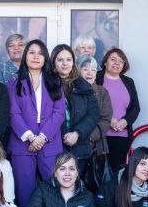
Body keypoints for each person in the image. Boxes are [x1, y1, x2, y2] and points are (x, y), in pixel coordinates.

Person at [9, 39, 67, 207]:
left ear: (46, 58)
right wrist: (30, 137)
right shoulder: (14, 82)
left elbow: (59, 112)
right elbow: (13, 113)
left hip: (49, 145)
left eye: (40, 53)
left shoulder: (54, 81)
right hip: (22, 146)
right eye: (31, 52)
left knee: (54, 192)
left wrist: (42, 137)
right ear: (25, 56)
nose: (36, 57)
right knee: (24, 193)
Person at [52, 44, 101, 184]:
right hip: (54, 146)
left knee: (77, 188)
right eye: (60, 60)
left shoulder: (83, 85)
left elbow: (94, 113)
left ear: (73, 63)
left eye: (68, 59)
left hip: (79, 147)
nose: (65, 63)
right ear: (53, 63)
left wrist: (77, 133)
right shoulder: (46, 85)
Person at [97, 47, 140, 175]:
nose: (116, 63)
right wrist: (109, 120)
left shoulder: (128, 82)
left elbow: (135, 107)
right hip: (100, 135)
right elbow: (92, 104)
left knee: (116, 174)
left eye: (121, 61)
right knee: (98, 174)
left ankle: (114, 196)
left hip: (122, 136)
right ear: (105, 62)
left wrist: (124, 122)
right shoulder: (96, 78)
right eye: (113, 59)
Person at [77, 54, 113, 188]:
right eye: (85, 69)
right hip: (73, 147)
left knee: (94, 184)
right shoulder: (71, 89)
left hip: (95, 147)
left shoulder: (102, 92)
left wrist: (89, 136)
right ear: (78, 70)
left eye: (93, 69)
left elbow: (105, 119)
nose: (89, 73)